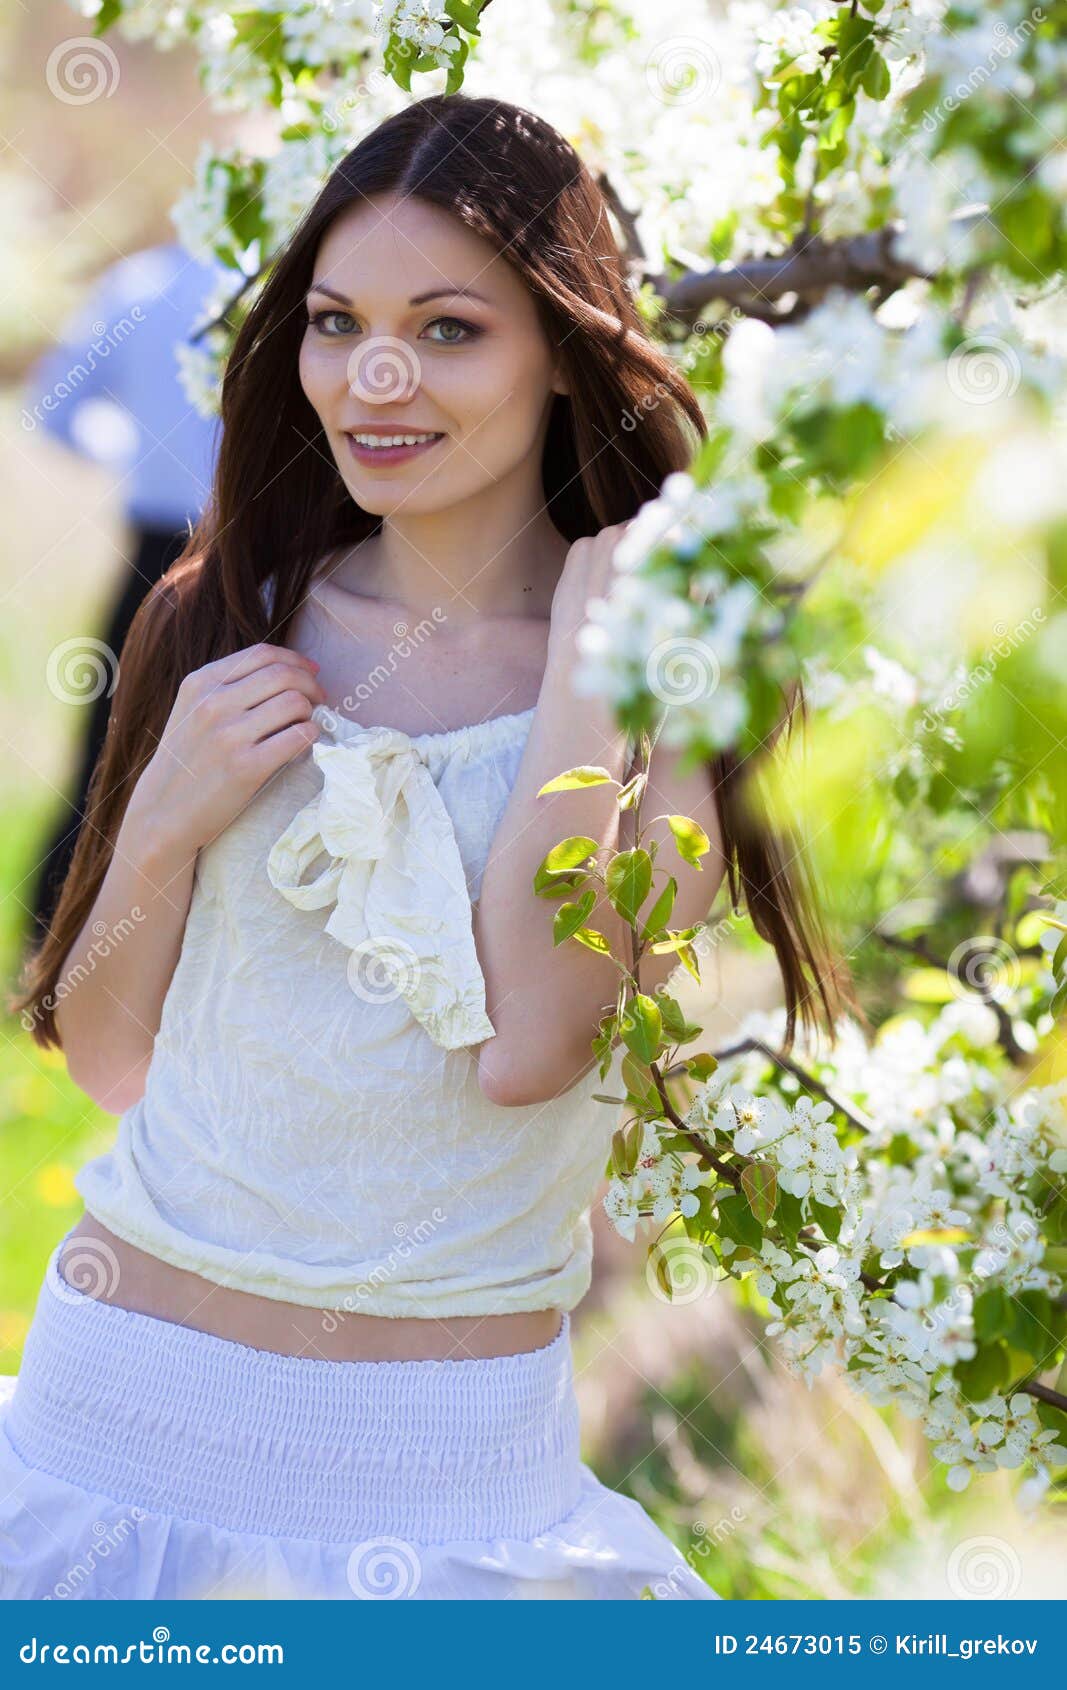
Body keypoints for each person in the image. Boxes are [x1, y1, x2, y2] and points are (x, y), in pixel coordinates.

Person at [2, 93, 850, 1601]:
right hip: (105, 1429)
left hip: (443, 1480)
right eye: (336, 323)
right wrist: (159, 821)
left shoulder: (653, 680)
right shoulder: (220, 621)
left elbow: (529, 1039)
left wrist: (591, 671)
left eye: (448, 329)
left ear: (560, 350)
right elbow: (109, 1063)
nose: (371, 378)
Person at [20, 242, 228, 944]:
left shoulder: (136, 284)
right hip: (246, 546)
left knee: (107, 743)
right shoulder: (280, 278)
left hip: (153, 546)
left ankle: (51, 932)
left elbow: (54, 408)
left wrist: (142, 458)